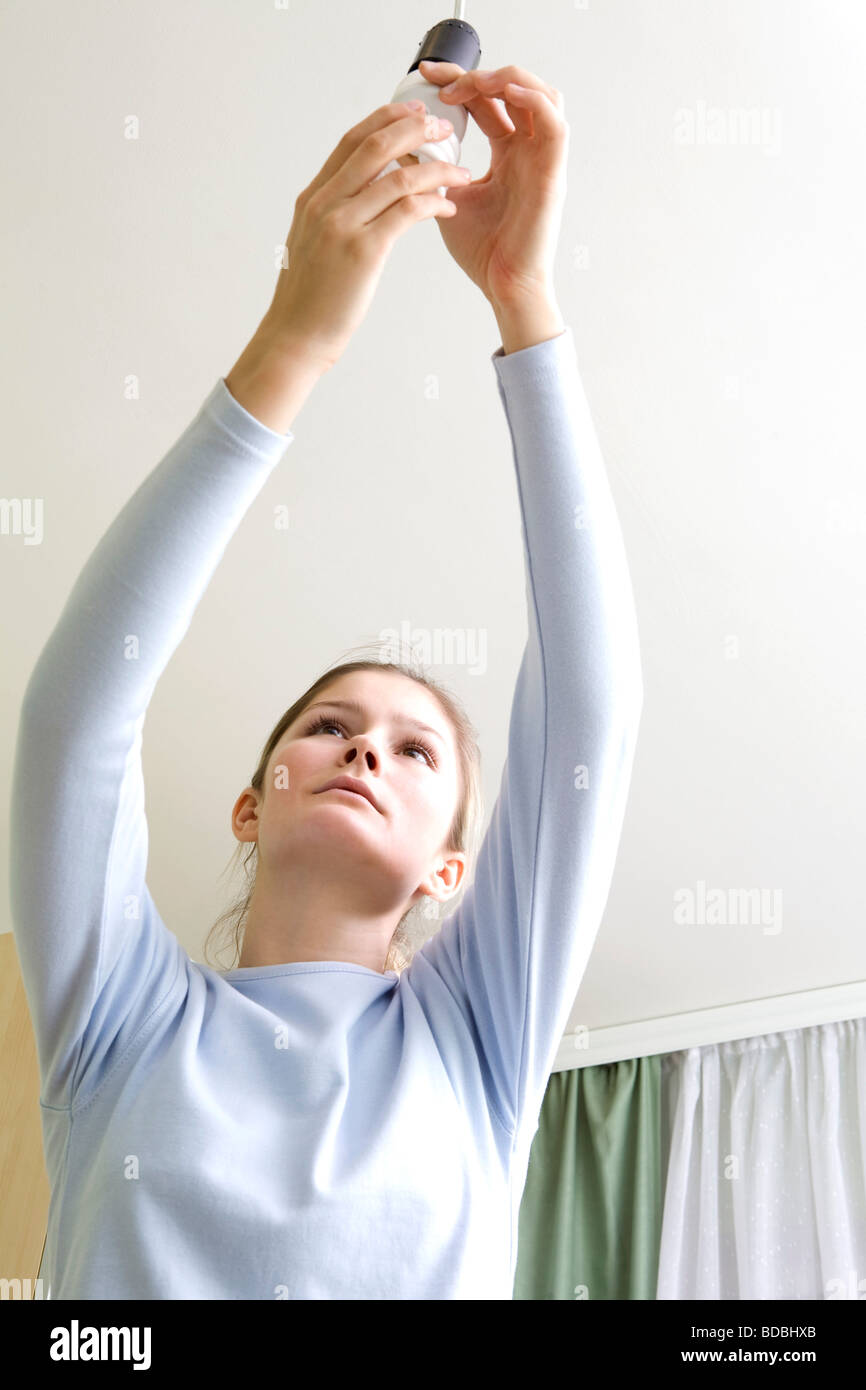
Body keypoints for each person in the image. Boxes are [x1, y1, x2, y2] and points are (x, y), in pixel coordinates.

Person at [9, 61, 644, 1300]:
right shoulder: (120, 1021)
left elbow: (592, 713)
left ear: (449, 871)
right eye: (330, 726)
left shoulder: (476, 1042)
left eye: (417, 751)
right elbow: (72, 718)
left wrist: (525, 302)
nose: (365, 749)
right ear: (252, 802)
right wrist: (292, 340)